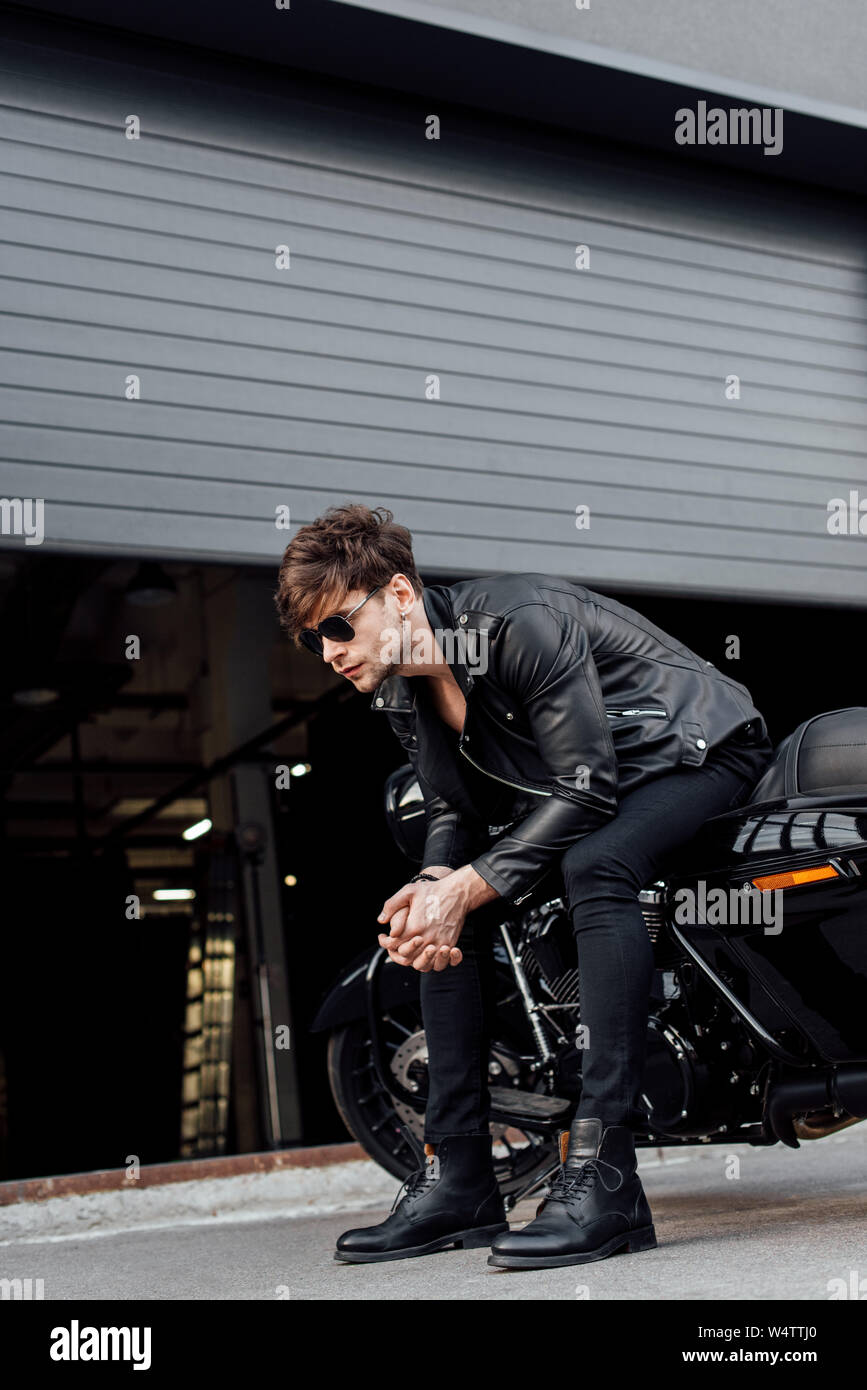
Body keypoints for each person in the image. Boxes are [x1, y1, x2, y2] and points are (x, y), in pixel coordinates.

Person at [274, 503, 774, 1269]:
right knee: (437, 922)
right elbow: (451, 806)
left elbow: (583, 785)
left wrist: (464, 885)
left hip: (692, 752)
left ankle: (605, 1177)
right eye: (313, 640)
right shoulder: (398, 685)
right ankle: (459, 1177)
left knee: (594, 866)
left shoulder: (517, 622)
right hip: (599, 788)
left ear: (400, 595)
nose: (328, 652)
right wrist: (435, 885)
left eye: (338, 626)